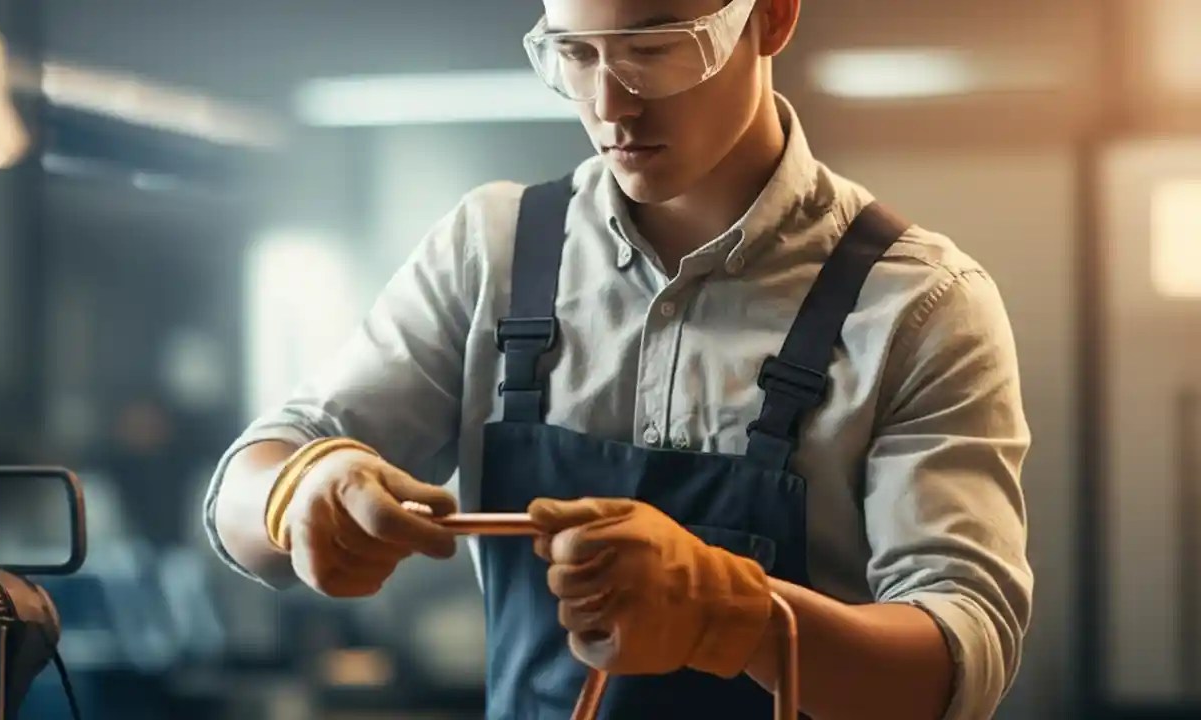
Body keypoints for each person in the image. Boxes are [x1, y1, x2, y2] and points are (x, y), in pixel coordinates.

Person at [203, 0, 1034, 717]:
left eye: (653, 48)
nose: (610, 106)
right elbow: (252, 477)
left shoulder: (918, 307)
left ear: (772, 16)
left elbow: (959, 666)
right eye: (574, 52)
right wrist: (297, 493)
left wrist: (732, 617)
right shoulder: (490, 253)